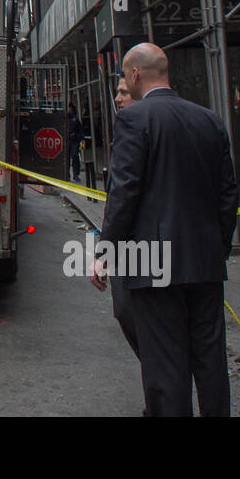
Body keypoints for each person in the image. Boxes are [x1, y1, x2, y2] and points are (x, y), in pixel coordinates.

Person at [100, 43, 238, 417]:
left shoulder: (133, 119)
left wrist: (104, 250)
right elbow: (228, 194)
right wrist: (218, 248)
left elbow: (125, 192)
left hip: (154, 266)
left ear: (136, 75)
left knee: (166, 363)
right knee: (210, 358)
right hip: (205, 263)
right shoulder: (210, 120)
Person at [91, 74, 140, 359]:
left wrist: (103, 253)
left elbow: (122, 197)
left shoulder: (130, 127)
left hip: (140, 249)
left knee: (128, 312)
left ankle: (163, 391)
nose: (117, 99)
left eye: (123, 92)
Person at [66, 102, 84, 182]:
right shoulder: (64, 118)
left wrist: (82, 139)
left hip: (75, 140)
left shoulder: (75, 118)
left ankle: (76, 174)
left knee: (75, 156)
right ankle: (67, 175)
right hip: (67, 140)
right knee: (66, 158)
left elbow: (80, 129)